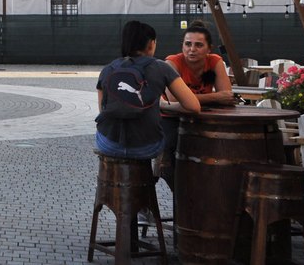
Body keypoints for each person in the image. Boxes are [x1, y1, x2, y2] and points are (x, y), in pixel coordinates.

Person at [95, 20, 200, 160]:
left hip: (109, 145)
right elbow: (193, 106)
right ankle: (162, 168)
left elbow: (102, 110)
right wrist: (163, 105)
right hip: (146, 148)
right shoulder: (161, 67)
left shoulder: (108, 70)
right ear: (151, 44)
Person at [158, 20, 235, 187]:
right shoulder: (172, 62)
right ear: (182, 46)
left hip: (201, 116)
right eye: (188, 44)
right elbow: (174, 101)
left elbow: (227, 97)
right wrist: (214, 97)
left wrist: (193, 99)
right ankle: (178, 188)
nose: (192, 49)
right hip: (171, 117)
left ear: (209, 48)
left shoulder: (214, 61)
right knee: (172, 152)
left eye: (199, 45)